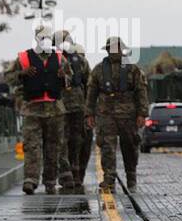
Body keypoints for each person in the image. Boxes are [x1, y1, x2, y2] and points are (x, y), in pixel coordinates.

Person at [11, 28, 73, 195]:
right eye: (42, 38)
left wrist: (63, 76)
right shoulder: (24, 58)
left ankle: (50, 181)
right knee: (32, 146)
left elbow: (71, 79)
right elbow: (9, 76)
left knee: (53, 147)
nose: (45, 40)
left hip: (54, 110)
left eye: (47, 37)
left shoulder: (59, 58)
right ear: (36, 40)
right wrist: (22, 73)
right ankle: (30, 180)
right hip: (32, 109)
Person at [87, 36, 148, 191]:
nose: (114, 51)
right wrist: (89, 114)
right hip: (105, 114)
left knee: (130, 146)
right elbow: (91, 93)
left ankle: (131, 178)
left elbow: (141, 92)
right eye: (111, 48)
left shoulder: (133, 69)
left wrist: (142, 113)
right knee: (107, 147)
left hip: (128, 115)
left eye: (117, 48)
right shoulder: (99, 70)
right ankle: (109, 179)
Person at [56, 30, 92, 191]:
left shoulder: (79, 62)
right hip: (63, 107)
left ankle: (73, 173)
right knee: (66, 141)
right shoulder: (53, 61)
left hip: (73, 106)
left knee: (74, 141)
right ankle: (68, 173)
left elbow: (90, 85)